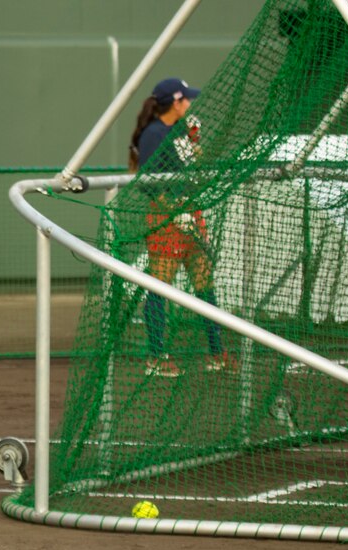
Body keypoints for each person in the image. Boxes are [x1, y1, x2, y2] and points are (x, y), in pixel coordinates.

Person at [129, 77, 233, 378]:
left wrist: (194, 141)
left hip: (190, 211)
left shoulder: (179, 130)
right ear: (175, 103)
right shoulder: (153, 134)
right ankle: (156, 356)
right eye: (185, 99)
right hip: (167, 218)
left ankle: (216, 352)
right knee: (160, 284)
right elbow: (149, 182)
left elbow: (193, 169)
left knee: (204, 282)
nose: (190, 103)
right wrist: (174, 213)